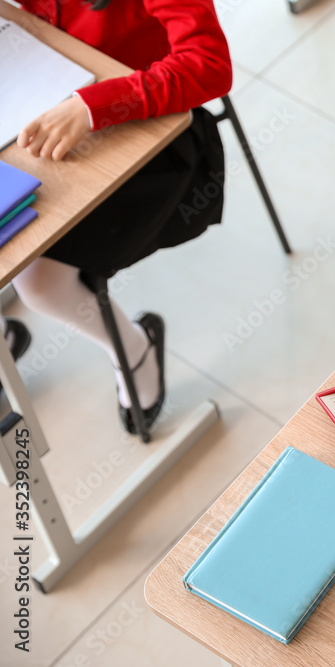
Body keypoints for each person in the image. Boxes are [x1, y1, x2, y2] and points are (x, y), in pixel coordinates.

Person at [9, 0, 232, 434]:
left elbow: (209, 66)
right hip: (40, 105)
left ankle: (133, 349)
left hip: (151, 133)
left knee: (36, 282)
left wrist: (94, 107)